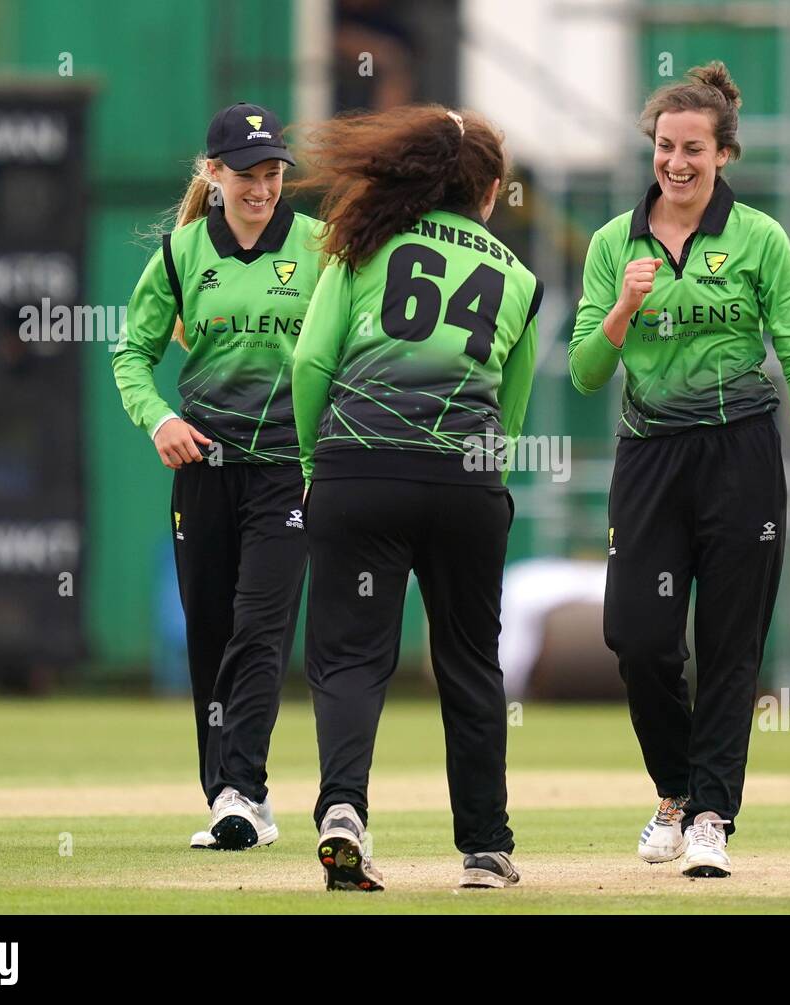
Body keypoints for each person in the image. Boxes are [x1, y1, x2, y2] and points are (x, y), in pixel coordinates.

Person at [569, 62, 790, 878]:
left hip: (741, 455)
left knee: (730, 645)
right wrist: (622, 308)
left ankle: (712, 816)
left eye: (693, 148)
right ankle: (676, 790)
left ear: (723, 155)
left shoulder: (760, 238)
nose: (675, 163)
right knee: (637, 638)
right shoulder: (617, 243)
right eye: (663, 146)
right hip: (649, 454)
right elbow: (583, 370)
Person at [291, 105, 541, 891]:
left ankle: (342, 811)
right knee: (469, 661)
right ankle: (486, 849)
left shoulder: (361, 245)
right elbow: (515, 406)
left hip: (357, 472)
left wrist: (313, 462)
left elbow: (308, 364)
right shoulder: (520, 277)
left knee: (350, 658)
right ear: (491, 191)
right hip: (464, 484)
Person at [112, 102, 323, 851]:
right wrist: (159, 419)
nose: (262, 188)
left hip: (285, 474)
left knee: (260, 629)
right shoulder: (179, 253)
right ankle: (230, 799)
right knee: (211, 632)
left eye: (272, 174)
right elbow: (130, 354)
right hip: (204, 468)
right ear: (213, 173)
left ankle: (244, 789)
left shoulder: (321, 248)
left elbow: (350, 344)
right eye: (246, 175)